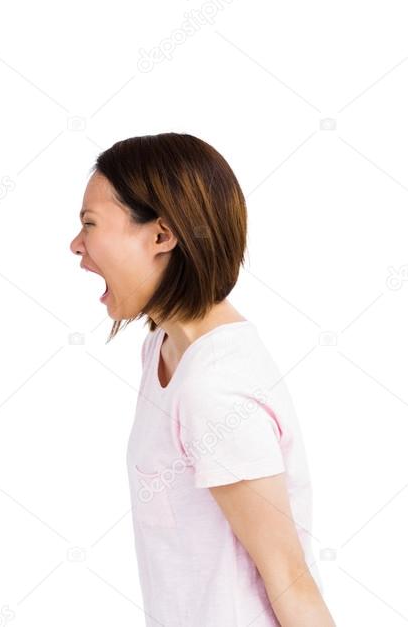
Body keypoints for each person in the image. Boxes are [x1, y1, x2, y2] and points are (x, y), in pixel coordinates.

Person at [69, 133, 334, 626]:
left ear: (161, 236)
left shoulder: (214, 388)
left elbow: (290, 580)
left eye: (90, 224)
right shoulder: (163, 349)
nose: (76, 244)